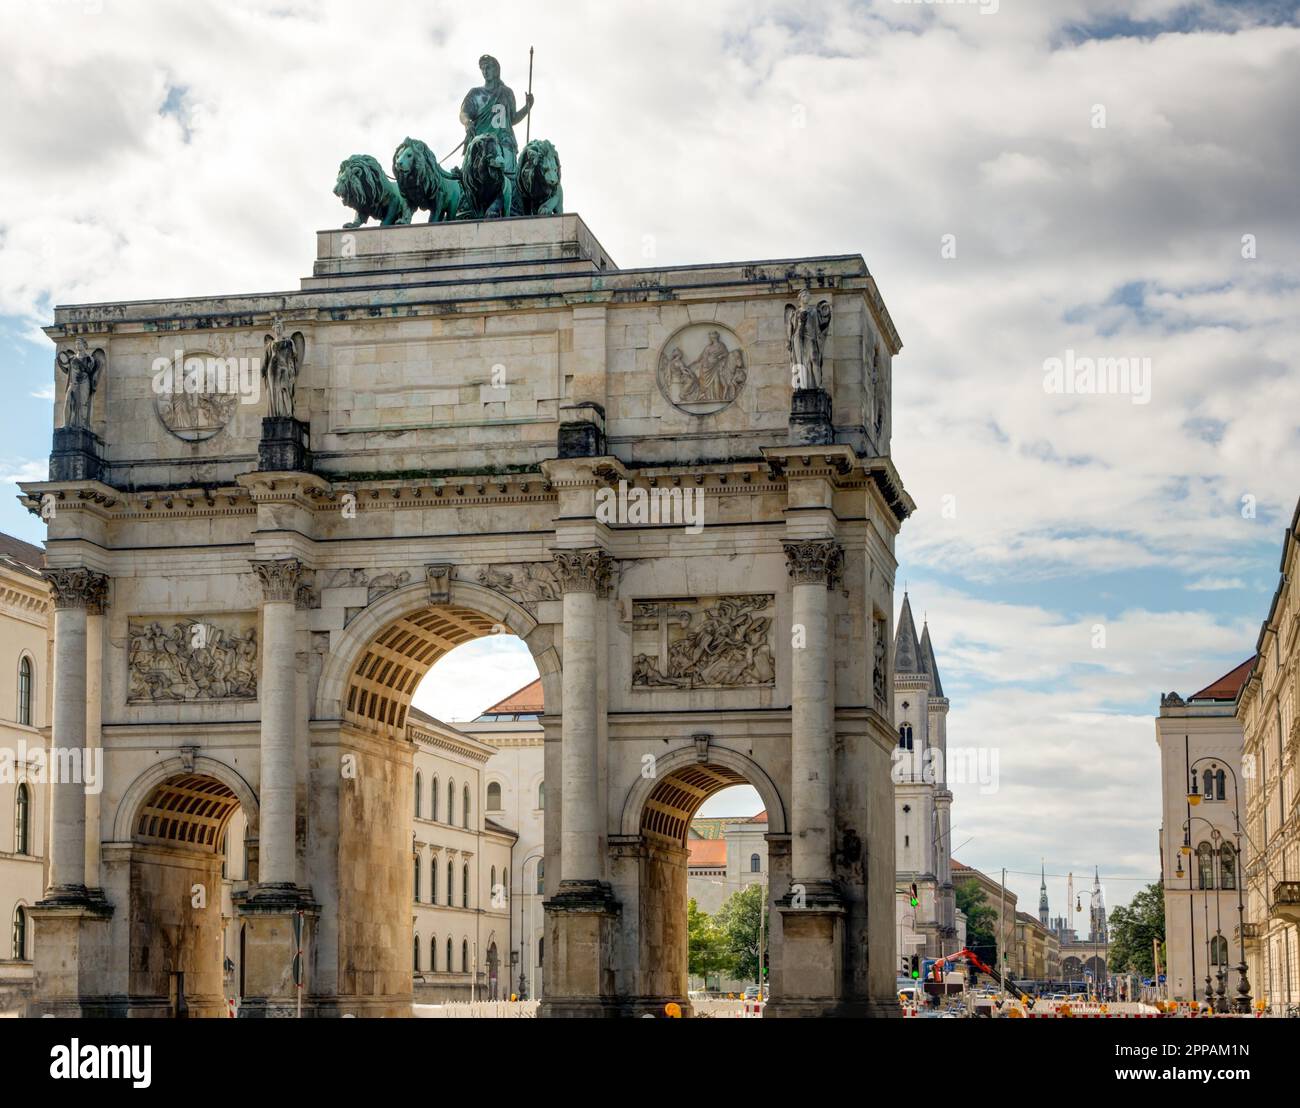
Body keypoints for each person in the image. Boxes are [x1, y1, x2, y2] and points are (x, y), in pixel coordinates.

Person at [459, 54, 533, 175]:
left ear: (496, 69)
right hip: (481, 144)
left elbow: (512, 119)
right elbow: (464, 113)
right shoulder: (475, 93)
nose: (485, 71)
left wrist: (527, 107)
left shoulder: (506, 93)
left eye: (488, 67)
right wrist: (467, 122)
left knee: (509, 179)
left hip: (505, 143)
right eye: (482, 68)